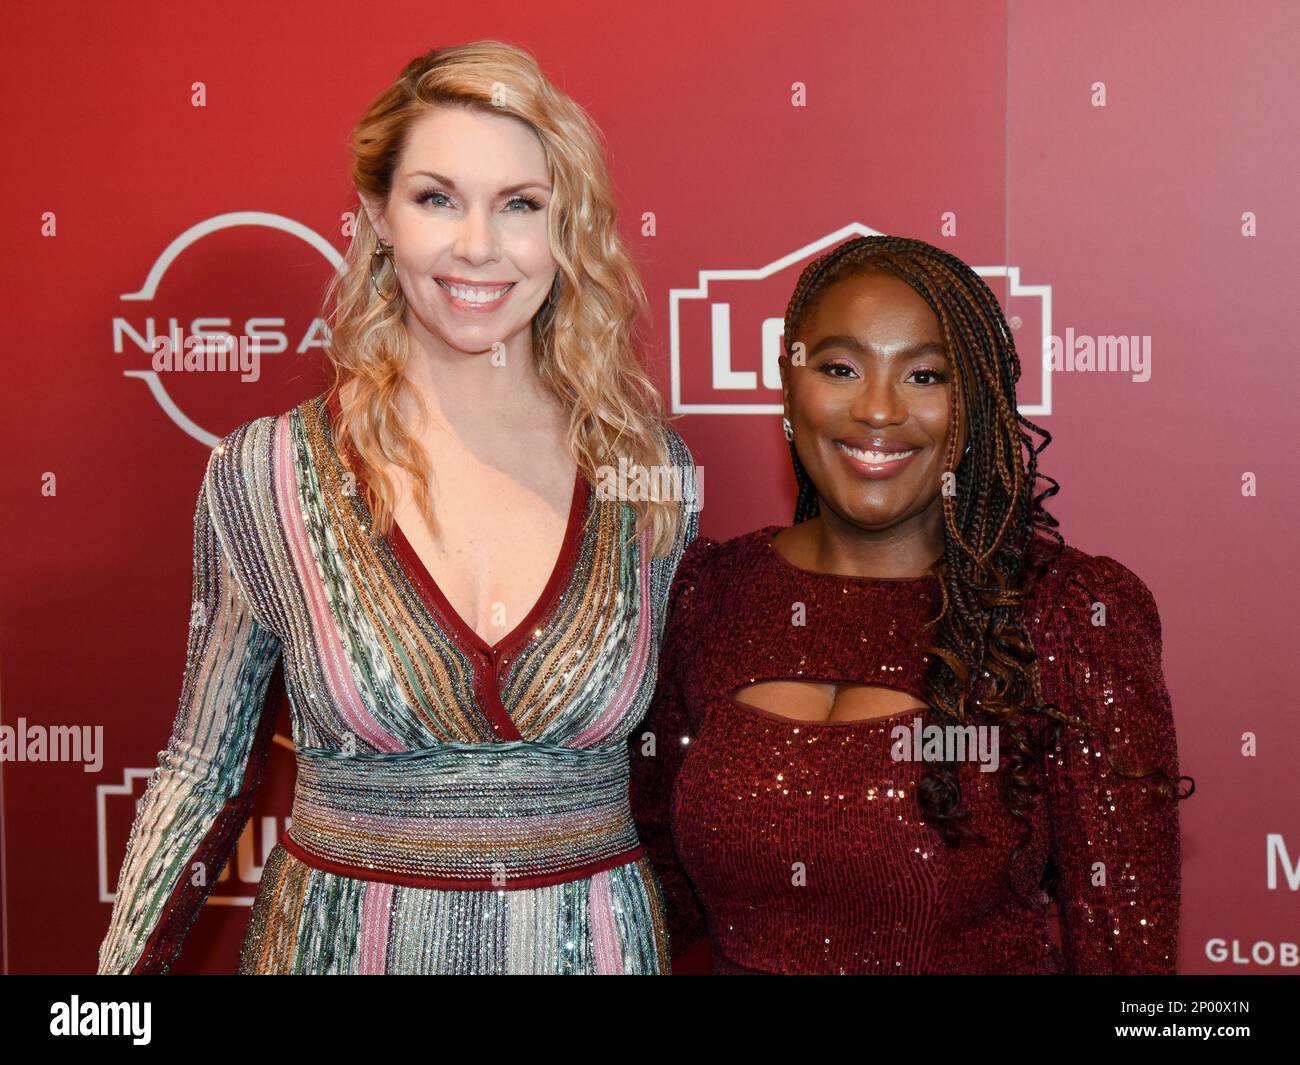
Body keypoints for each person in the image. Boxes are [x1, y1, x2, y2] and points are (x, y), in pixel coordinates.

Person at [98, 41, 698, 975]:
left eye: (521, 206)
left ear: (565, 228)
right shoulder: (269, 473)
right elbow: (201, 771)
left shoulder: (649, 474)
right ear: (378, 216)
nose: (477, 246)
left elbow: (688, 774)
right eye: (436, 198)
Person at [630, 235, 1192, 975]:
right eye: (840, 368)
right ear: (789, 388)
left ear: (976, 404)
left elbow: (1127, 959)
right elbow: (652, 892)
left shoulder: (1067, 614)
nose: (878, 409)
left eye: (924, 375)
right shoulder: (710, 594)